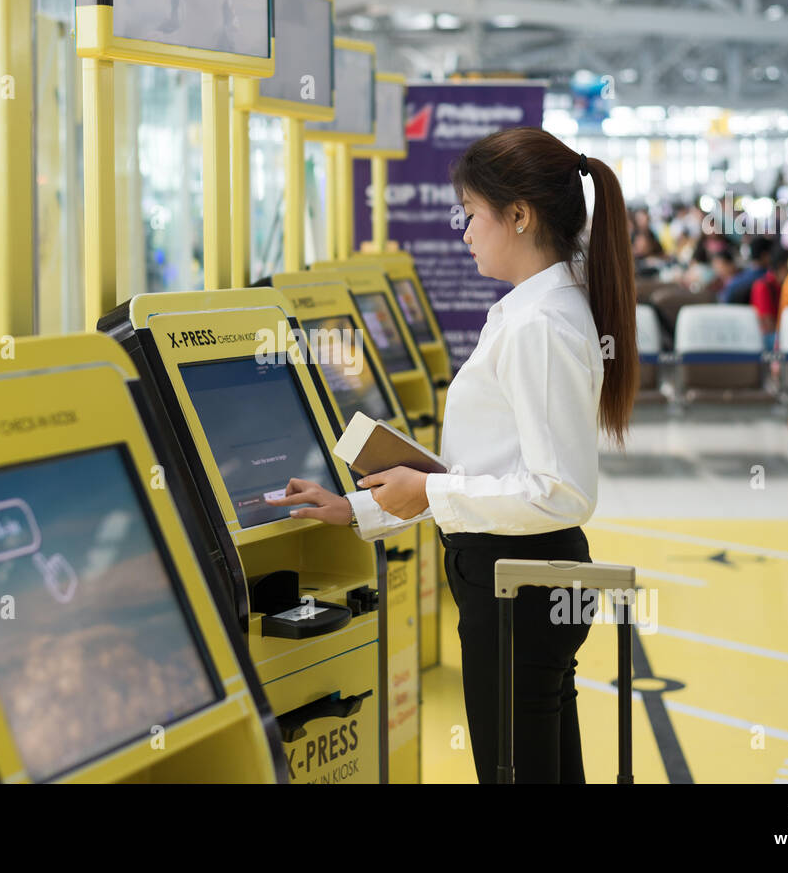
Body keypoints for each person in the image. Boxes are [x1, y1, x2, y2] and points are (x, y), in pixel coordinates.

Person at [268, 127, 639, 783]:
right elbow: (492, 476)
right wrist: (359, 507)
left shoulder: (540, 325)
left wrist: (428, 491)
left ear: (519, 214)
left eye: (471, 215)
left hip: (518, 585)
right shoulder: (538, 311)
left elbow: (561, 491)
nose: (464, 232)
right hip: (524, 577)